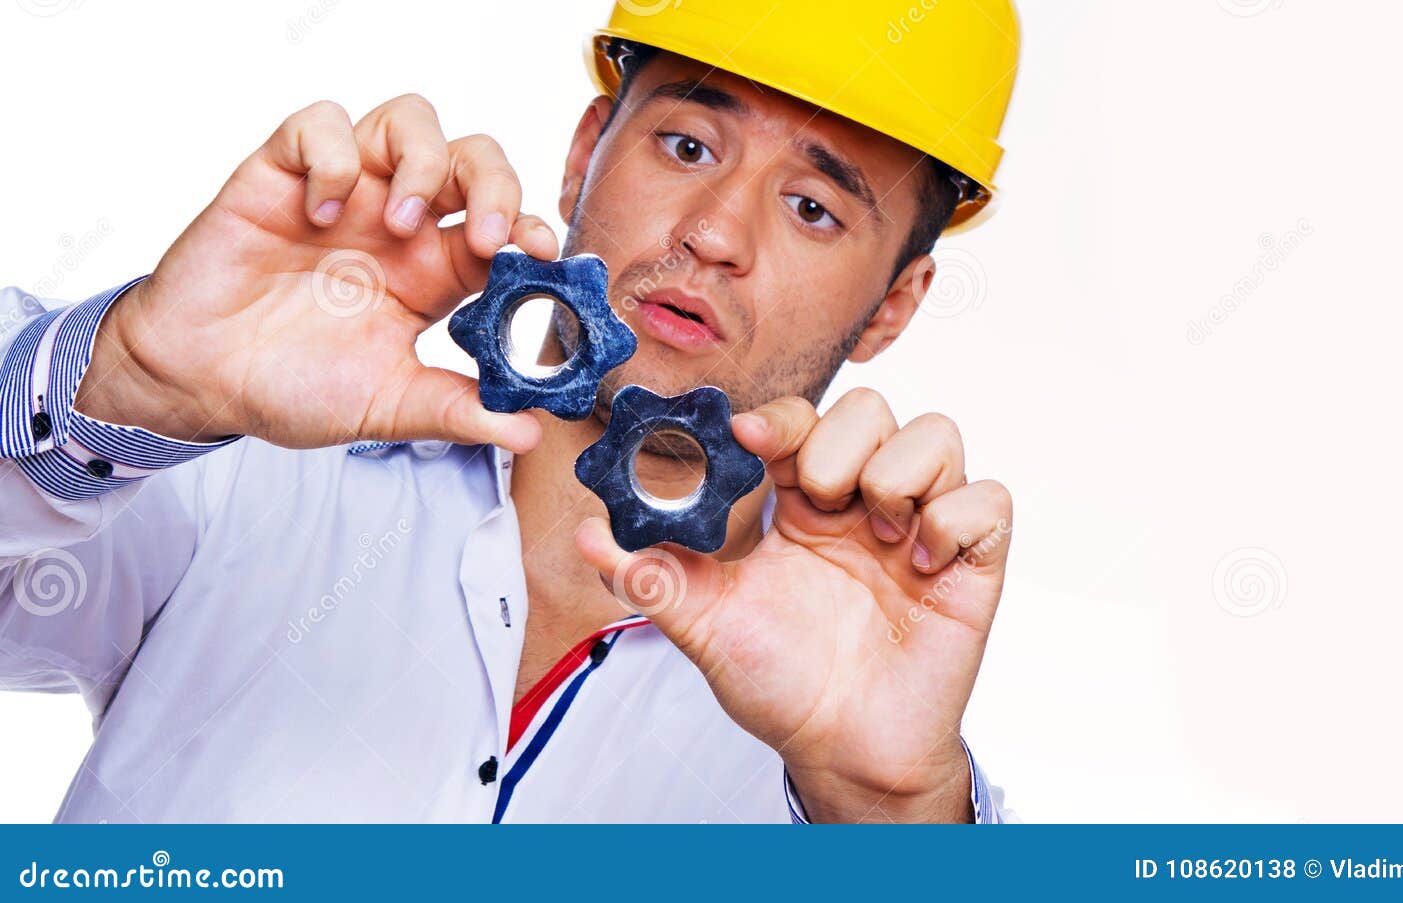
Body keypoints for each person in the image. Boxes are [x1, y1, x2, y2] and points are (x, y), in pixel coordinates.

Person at [0, 0, 1021, 823]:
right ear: (586, 151)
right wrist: (132, 380)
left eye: (813, 207)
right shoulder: (242, 465)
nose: (715, 233)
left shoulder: (865, 721)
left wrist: (889, 811)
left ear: (892, 302)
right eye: (687, 145)